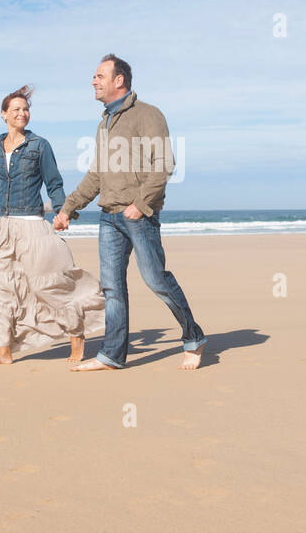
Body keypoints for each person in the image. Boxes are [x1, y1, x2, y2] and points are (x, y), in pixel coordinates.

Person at [53, 54, 207, 372]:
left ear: (118, 80)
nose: (93, 81)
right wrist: (69, 207)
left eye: (99, 76)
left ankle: (194, 338)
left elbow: (164, 163)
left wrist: (141, 203)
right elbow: (97, 174)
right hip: (109, 217)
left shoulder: (147, 115)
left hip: (138, 215)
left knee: (156, 280)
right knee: (112, 288)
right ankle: (112, 355)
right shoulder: (104, 123)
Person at [0, 86, 104, 366]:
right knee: (1, 289)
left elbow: (53, 183)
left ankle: (76, 335)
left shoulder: (40, 146)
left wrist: (63, 211)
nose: (22, 113)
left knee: (49, 283)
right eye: (16, 109)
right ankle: (5, 350)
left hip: (30, 223)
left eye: (26, 109)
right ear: (4, 114)